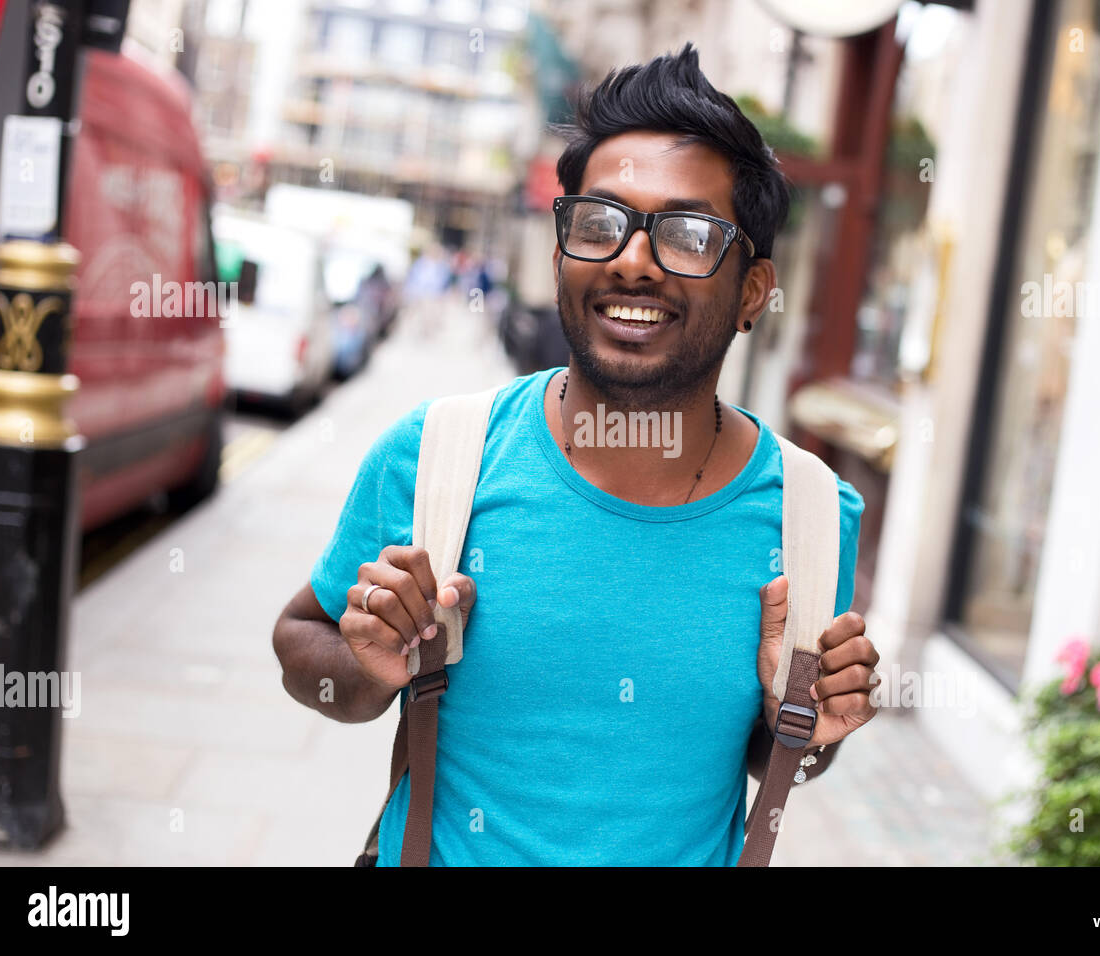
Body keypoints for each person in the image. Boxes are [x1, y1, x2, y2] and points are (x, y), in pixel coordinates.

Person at [272, 42, 879, 866]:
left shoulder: (809, 517)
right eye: (601, 223)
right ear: (561, 253)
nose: (632, 261)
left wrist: (800, 722)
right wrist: (367, 667)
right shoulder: (439, 456)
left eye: (690, 236)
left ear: (753, 291)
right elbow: (304, 651)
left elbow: (787, 753)